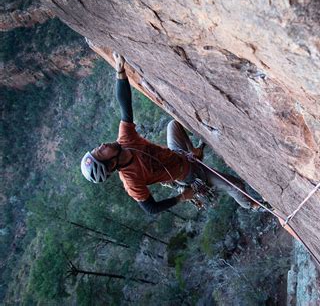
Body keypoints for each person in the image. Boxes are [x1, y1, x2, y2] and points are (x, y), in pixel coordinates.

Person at [81, 52, 257, 214]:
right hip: (190, 175)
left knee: (174, 125)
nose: (102, 145)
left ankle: (194, 152)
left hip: (180, 154)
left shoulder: (125, 140)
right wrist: (181, 197)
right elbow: (150, 208)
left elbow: (125, 107)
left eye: (97, 148)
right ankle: (255, 206)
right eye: (100, 152)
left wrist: (120, 72)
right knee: (235, 186)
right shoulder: (131, 181)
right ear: (111, 164)